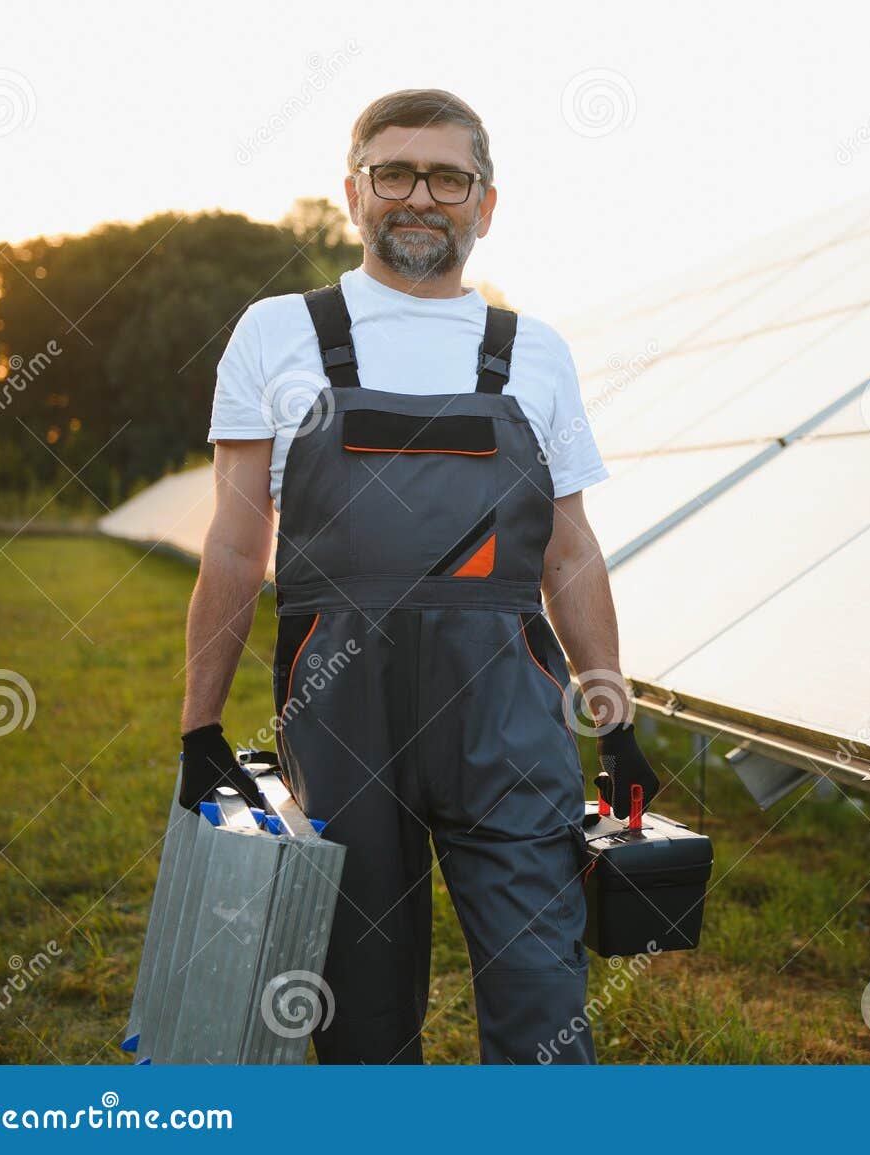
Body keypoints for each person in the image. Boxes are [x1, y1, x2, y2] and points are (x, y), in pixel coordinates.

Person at [177, 88, 659, 1065]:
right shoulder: (277, 332)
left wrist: (617, 722)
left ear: (485, 203)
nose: (418, 197)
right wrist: (199, 727)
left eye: (447, 177)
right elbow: (234, 541)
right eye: (392, 173)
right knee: (355, 1014)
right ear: (353, 192)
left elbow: (568, 548)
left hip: (510, 723)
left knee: (543, 1005)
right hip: (337, 720)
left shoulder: (535, 352)